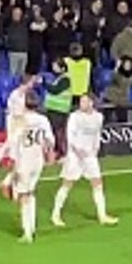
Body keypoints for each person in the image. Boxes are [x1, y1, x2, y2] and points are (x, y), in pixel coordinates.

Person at [0, 92, 54, 243]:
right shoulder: (43, 120)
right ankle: (31, 227)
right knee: (30, 193)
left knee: (23, 196)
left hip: (24, 161)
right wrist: (47, 152)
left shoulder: (21, 121)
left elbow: (10, 143)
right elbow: (50, 140)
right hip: (38, 161)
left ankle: (27, 233)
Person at [51, 94, 119, 228]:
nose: (82, 104)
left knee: (97, 183)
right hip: (75, 156)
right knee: (67, 184)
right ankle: (56, 214)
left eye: (85, 101)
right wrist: (77, 149)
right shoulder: (75, 117)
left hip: (90, 156)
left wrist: (95, 149)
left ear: (92, 103)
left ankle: (102, 215)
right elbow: (70, 136)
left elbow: (97, 135)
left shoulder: (98, 117)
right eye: (81, 101)